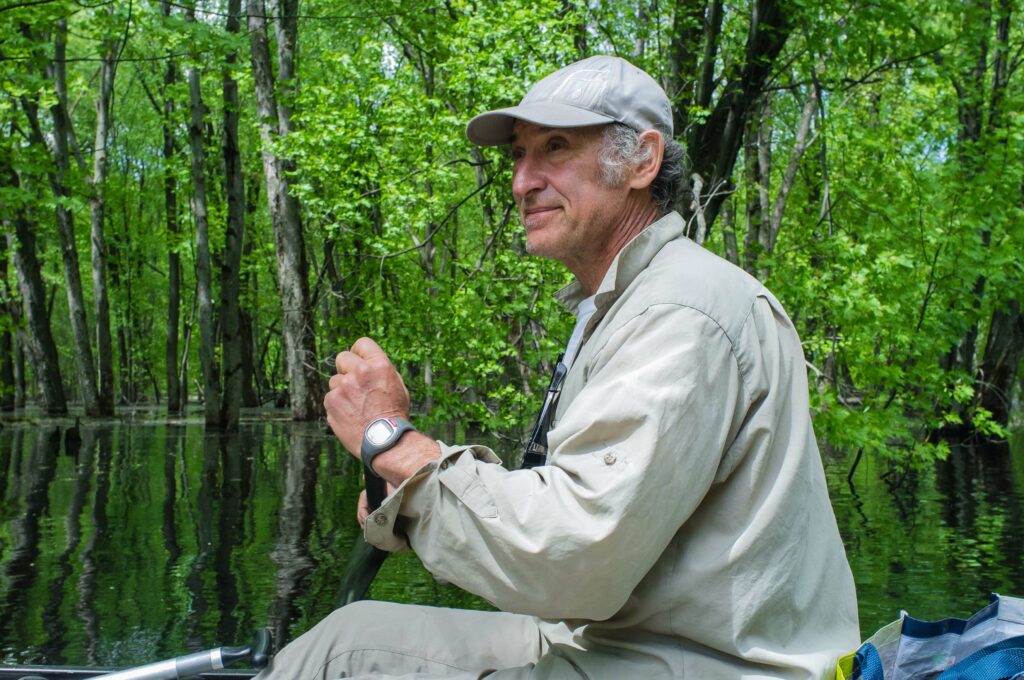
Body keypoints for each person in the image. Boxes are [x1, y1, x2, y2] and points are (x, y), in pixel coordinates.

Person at [257, 55, 860, 680]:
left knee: (336, 660)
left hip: (710, 664)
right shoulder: (622, 302)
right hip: (626, 638)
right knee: (351, 633)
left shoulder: (683, 313)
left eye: (555, 147)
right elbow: (569, 510)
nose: (523, 181)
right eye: (519, 154)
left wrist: (393, 442)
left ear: (642, 162)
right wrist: (411, 505)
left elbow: (573, 557)